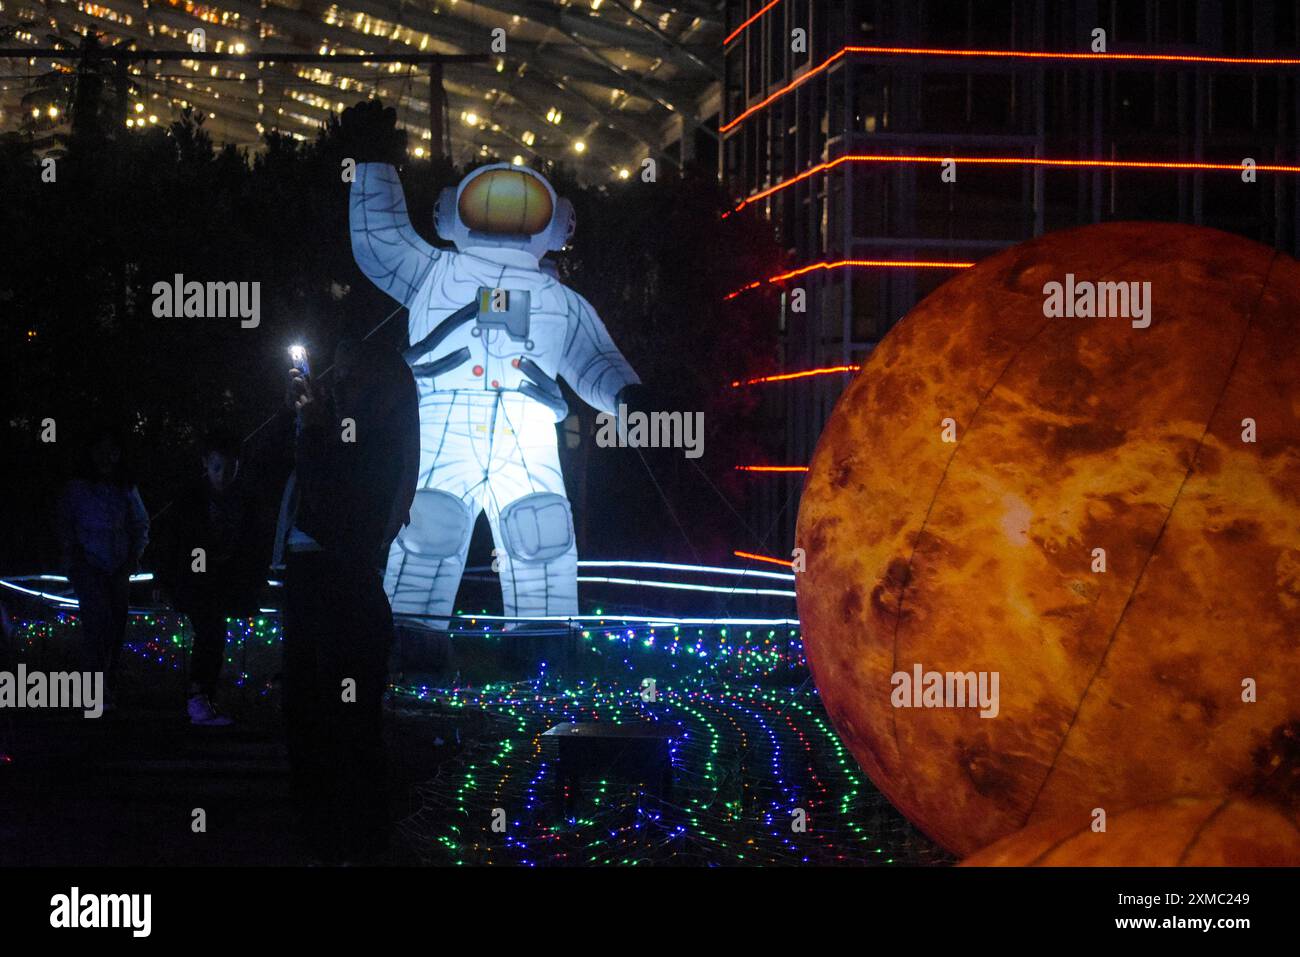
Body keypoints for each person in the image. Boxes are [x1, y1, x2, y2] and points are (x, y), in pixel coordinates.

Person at [275, 338, 419, 863]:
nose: (337, 387)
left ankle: (350, 840)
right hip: (319, 591)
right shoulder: (346, 436)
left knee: (342, 726)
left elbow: (339, 518)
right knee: (313, 720)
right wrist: (307, 427)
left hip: (341, 596)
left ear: (376, 391)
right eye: (336, 378)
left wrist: (313, 432)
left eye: (349, 379)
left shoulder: (375, 444)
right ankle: (330, 838)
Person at [159, 428, 263, 726]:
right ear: (205, 463)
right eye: (218, 467)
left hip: (222, 581)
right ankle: (198, 697)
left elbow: (253, 543)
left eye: (230, 467)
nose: (224, 474)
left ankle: (203, 697)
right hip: (195, 581)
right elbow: (172, 540)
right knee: (210, 634)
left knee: (213, 635)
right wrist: (165, 579)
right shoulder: (190, 499)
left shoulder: (244, 500)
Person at [54, 425, 150, 699]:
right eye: (101, 450)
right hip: (87, 565)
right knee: (97, 622)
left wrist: (133, 556)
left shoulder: (125, 487)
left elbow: (140, 522)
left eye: (113, 451)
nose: (107, 457)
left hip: (118, 566)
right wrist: (74, 556)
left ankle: (107, 683)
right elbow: (64, 524)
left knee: (116, 624)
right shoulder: (76, 488)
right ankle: (93, 689)